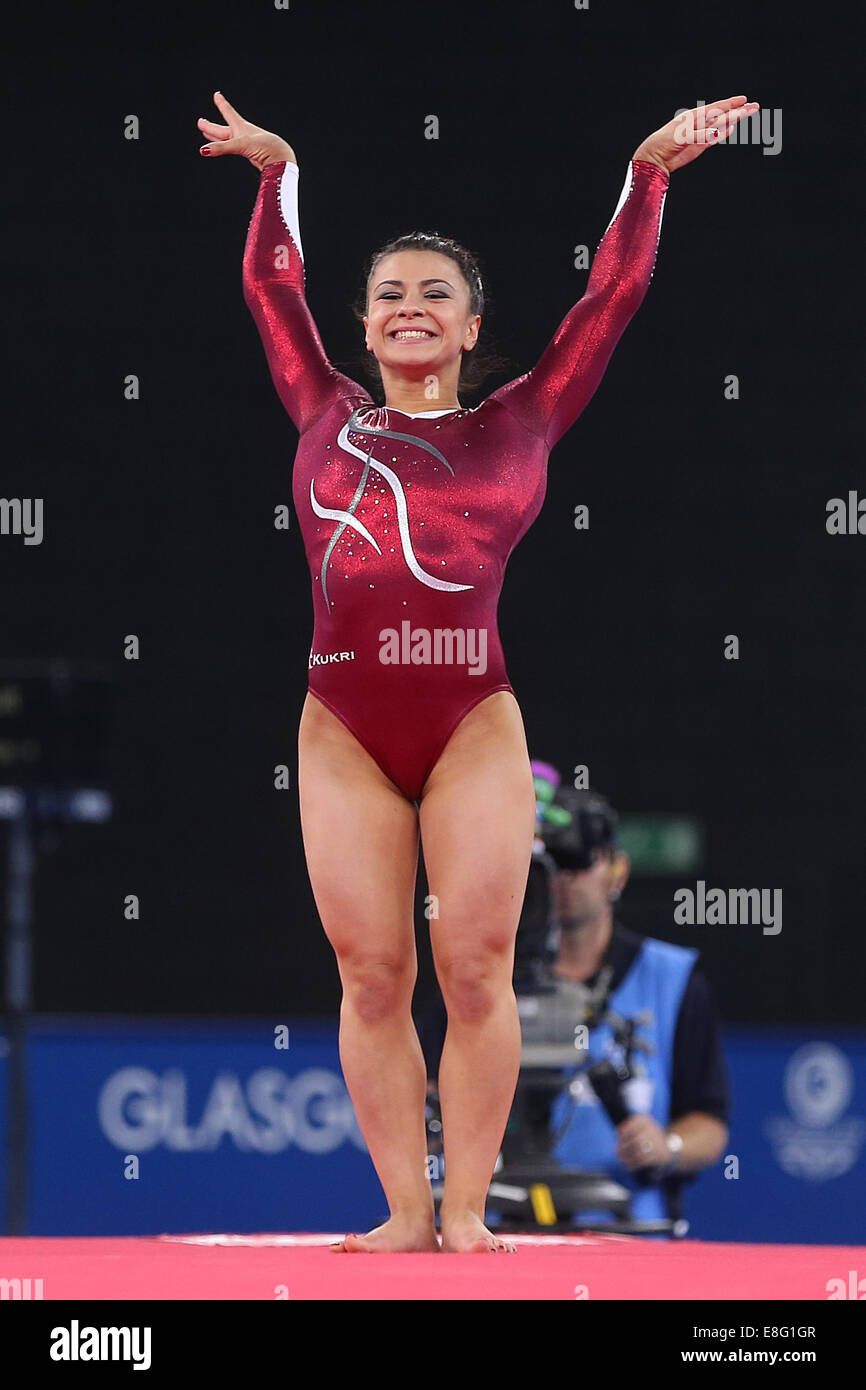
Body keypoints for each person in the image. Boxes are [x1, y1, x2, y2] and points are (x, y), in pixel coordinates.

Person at [197, 90, 757, 1252]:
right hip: (342, 720)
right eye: (389, 293)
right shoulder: (324, 411)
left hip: (469, 718)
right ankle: (405, 1209)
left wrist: (646, 172)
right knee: (369, 972)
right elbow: (268, 287)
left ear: (467, 326)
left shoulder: (521, 420)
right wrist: (276, 171)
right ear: (363, 323)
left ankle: (465, 1214)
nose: (409, 307)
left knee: (474, 963)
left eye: (432, 294)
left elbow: (613, 295)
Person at [420, 784, 730, 1228]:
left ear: (617, 872)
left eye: (574, 862)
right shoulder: (471, 980)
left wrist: (668, 1145)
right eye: (543, 867)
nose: (558, 881)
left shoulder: (673, 980)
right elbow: (425, 1101)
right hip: (492, 1224)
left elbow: (710, 1121)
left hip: (624, 1225)